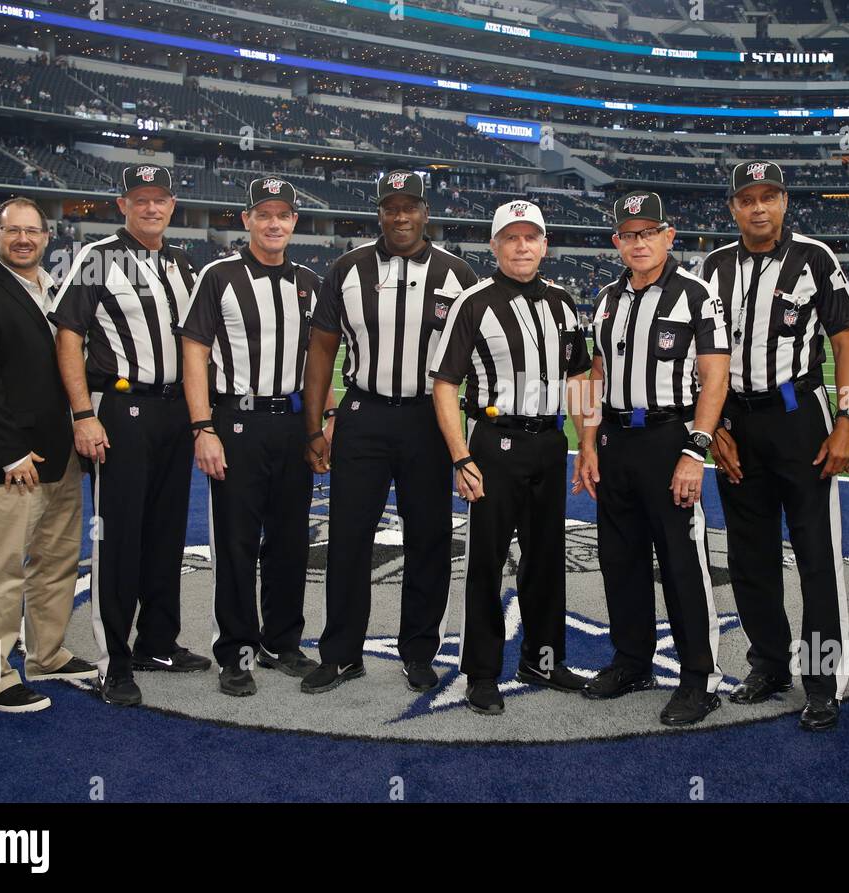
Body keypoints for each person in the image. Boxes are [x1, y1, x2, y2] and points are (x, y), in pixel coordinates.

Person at [300, 171, 477, 696]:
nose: (400, 216)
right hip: (364, 414)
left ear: (426, 211)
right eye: (390, 207)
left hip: (429, 419)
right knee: (349, 538)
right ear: (379, 212)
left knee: (430, 538)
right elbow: (323, 351)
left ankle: (420, 651)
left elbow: (480, 352)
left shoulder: (458, 273)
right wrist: (315, 426)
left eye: (410, 207)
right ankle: (340, 654)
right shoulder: (347, 268)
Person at [699, 161, 849, 732]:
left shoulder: (815, 257)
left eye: (769, 197)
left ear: (785, 202)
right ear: (733, 208)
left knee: (816, 555)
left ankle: (822, 683)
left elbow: (845, 341)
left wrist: (847, 418)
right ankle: (768, 662)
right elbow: (700, 357)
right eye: (747, 199)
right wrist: (712, 428)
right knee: (748, 554)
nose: (759, 208)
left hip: (800, 418)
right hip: (736, 423)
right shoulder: (712, 267)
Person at [51, 164, 210, 707]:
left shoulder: (183, 262)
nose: (151, 208)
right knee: (117, 538)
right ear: (123, 205)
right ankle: (112, 661)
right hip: (121, 409)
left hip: (174, 412)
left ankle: (158, 643)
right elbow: (68, 337)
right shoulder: (97, 258)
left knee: (165, 533)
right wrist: (82, 413)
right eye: (140, 200)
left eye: (159, 199)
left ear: (172, 205)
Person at [429, 200, 592, 715]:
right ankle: (481, 673)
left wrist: (585, 442)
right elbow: (445, 383)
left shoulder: (565, 303)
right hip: (494, 444)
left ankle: (542, 660)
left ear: (545, 245)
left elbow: (580, 378)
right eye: (512, 238)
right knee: (486, 562)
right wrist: (459, 456)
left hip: (548, 443)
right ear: (494, 245)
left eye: (531, 238)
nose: (522, 247)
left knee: (546, 561)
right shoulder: (473, 302)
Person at [575, 190, 730, 727]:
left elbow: (715, 377)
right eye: (628, 234)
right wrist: (587, 442)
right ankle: (632, 659)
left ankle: (699, 678)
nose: (638, 242)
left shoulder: (696, 294)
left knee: (682, 563)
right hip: (615, 440)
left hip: (669, 438)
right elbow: (592, 375)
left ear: (669, 236)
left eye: (649, 233)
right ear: (617, 242)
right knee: (621, 559)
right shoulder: (607, 297)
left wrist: (696, 449)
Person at [0, 197, 95, 712]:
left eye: (33, 231)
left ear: (47, 237)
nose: (24, 239)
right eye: (13, 231)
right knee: (2, 570)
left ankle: (46, 654)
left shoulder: (55, 291)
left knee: (57, 563)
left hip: (62, 456)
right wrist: (10, 453)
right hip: (9, 461)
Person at [180, 178, 322, 697]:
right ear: (246, 220)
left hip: (291, 423)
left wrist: (319, 424)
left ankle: (282, 642)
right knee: (237, 542)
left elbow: (321, 361)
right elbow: (194, 352)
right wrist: (202, 428)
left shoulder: (309, 281)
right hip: (236, 423)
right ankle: (235, 649)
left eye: (283, 215)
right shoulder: (219, 276)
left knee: (289, 540)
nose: (273, 223)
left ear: (294, 222)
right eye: (263, 214)